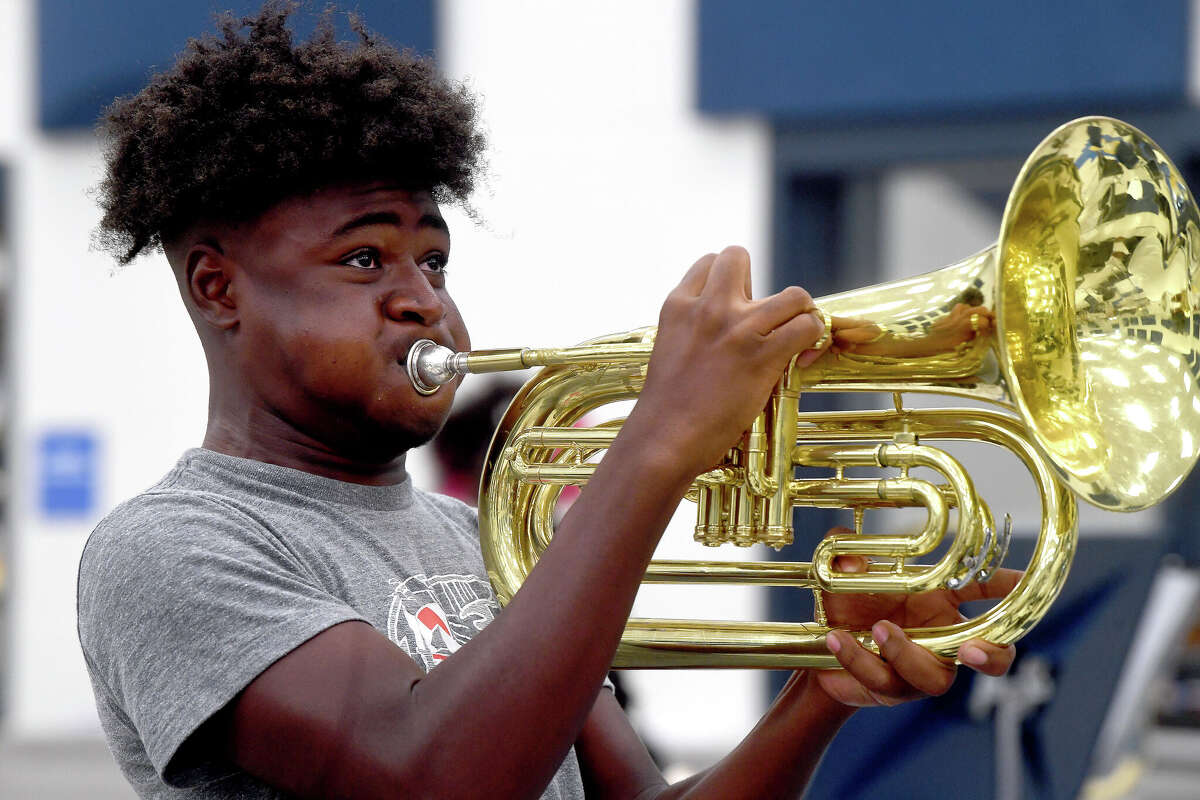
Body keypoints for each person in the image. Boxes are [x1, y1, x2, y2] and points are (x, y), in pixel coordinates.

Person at [76, 4, 1020, 798]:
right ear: (217, 286)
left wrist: (823, 690)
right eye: (364, 257)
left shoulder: (473, 539)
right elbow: (432, 776)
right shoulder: (170, 547)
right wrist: (656, 447)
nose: (422, 298)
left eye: (434, 259)